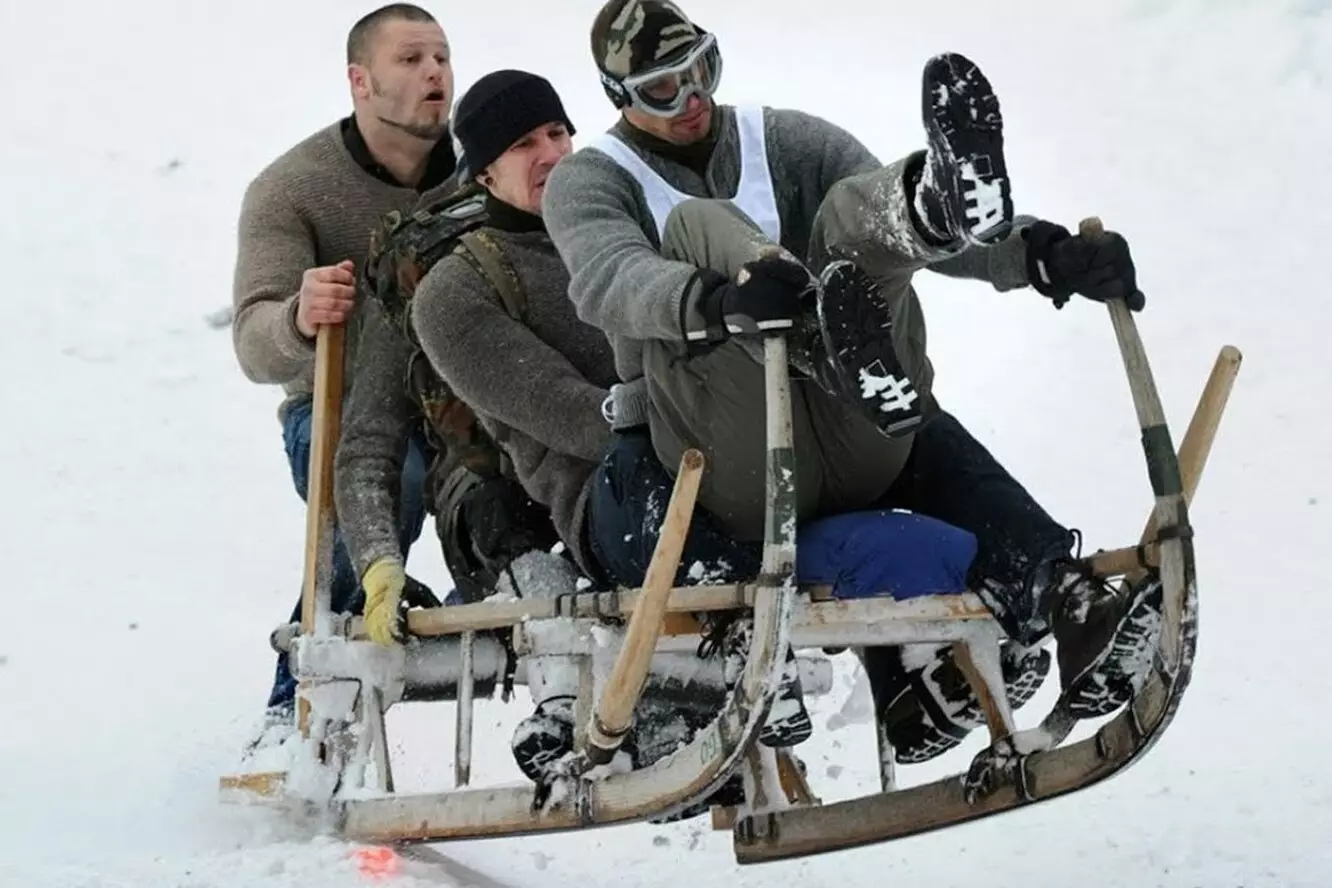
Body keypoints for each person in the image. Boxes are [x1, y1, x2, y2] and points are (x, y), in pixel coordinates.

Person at [539, 0, 1163, 763]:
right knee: (700, 224)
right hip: (727, 453)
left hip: (848, 422)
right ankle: (808, 325)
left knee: (849, 219)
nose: (693, 96)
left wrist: (1036, 256)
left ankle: (1069, 606)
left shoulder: (783, 139)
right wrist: (720, 298)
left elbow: (873, 217)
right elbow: (608, 277)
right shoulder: (589, 180)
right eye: (665, 88)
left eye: (702, 68)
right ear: (620, 97)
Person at [356, 69, 818, 804]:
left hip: (662, 456)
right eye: (521, 144)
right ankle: (587, 700)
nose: (550, 154)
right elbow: (378, 440)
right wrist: (377, 560)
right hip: (532, 485)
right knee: (521, 530)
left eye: (557, 133)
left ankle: (744, 671)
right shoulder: (450, 288)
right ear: (481, 173)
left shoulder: (619, 228)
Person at [230, 2, 459, 739]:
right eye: (412, 59)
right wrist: (298, 315)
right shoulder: (292, 188)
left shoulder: (485, 172)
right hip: (335, 411)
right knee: (392, 482)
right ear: (360, 81)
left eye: (442, 58)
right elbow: (253, 344)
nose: (435, 73)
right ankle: (295, 708)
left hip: (474, 415)